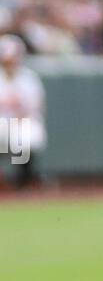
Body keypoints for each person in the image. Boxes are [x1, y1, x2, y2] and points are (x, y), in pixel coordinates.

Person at [0, 33, 45, 190]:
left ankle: (21, 182)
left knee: (25, 135)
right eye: (7, 59)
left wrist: (16, 120)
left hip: (23, 122)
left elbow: (36, 107)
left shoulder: (29, 78)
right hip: (2, 123)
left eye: (12, 58)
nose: (10, 62)